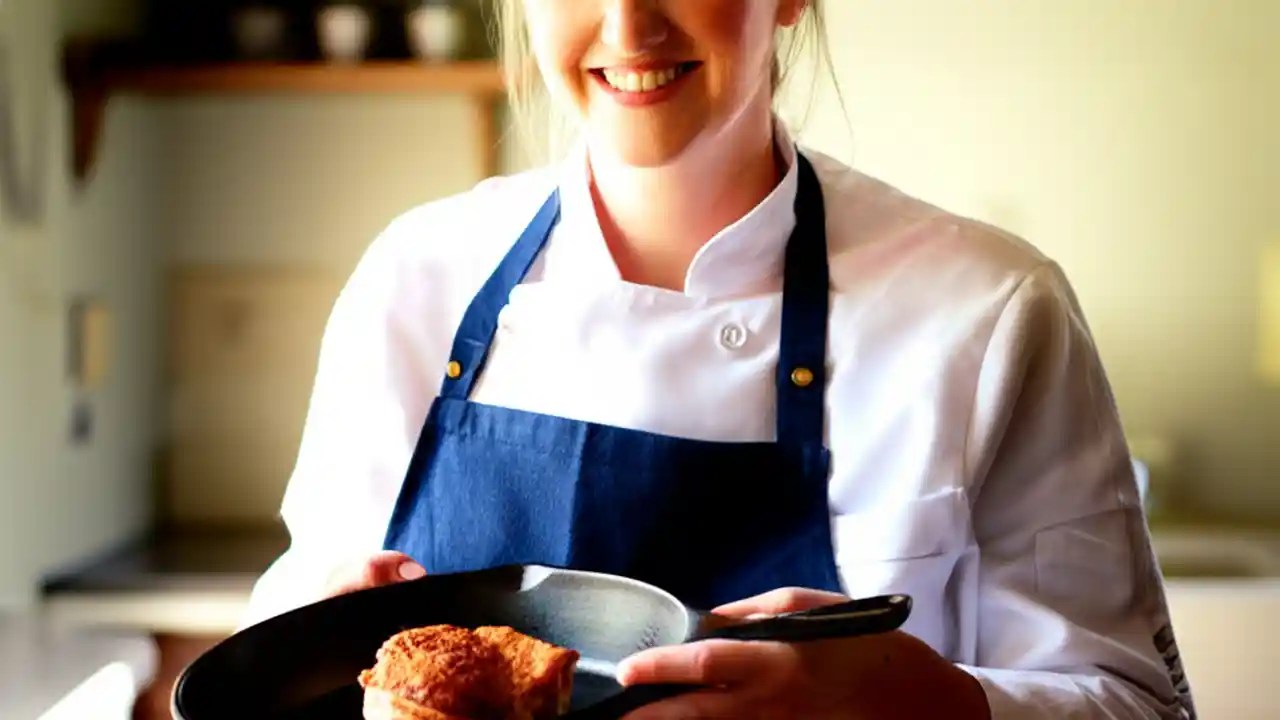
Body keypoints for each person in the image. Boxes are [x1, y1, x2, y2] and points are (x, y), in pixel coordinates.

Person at [246, 1, 1196, 718]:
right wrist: (309, 649)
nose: (628, 24)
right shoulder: (415, 278)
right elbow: (288, 627)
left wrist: (913, 702)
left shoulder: (987, 310)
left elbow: (1134, 702)